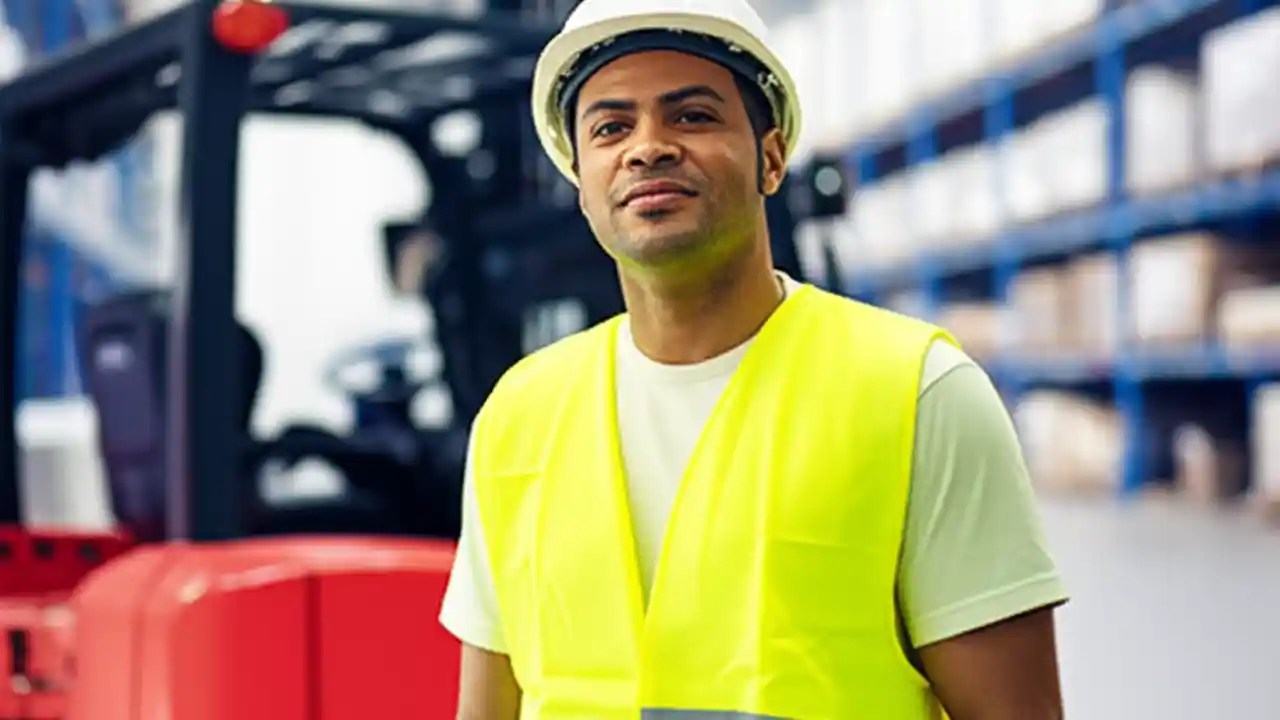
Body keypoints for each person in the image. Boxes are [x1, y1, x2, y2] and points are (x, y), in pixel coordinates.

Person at [440, 0, 1069, 717]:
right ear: (582, 183)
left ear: (771, 158)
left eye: (693, 116)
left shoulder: (917, 392)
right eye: (612, 127)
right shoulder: (519, 416)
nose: (648, 147)